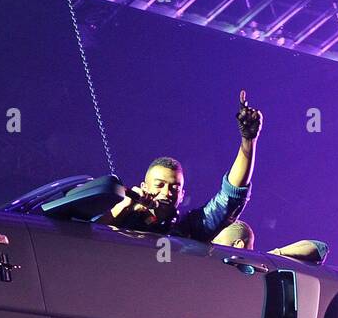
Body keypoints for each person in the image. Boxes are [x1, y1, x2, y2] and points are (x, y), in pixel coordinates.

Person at [104, 89, 262, 241]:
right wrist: (122, 208)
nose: (167, 192)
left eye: (175, 188)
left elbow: (229, 198)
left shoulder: (189, 228)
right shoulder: (122, 218)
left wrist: (248, 141)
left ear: (182, 195)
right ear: (144, 187)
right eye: (159, 185)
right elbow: (86, 240)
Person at [212, 219, 331, 262]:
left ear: (238, 245)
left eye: (217, 243)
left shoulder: (263, 266)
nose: (212, 247)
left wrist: (273, 256)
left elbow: (319, 247)